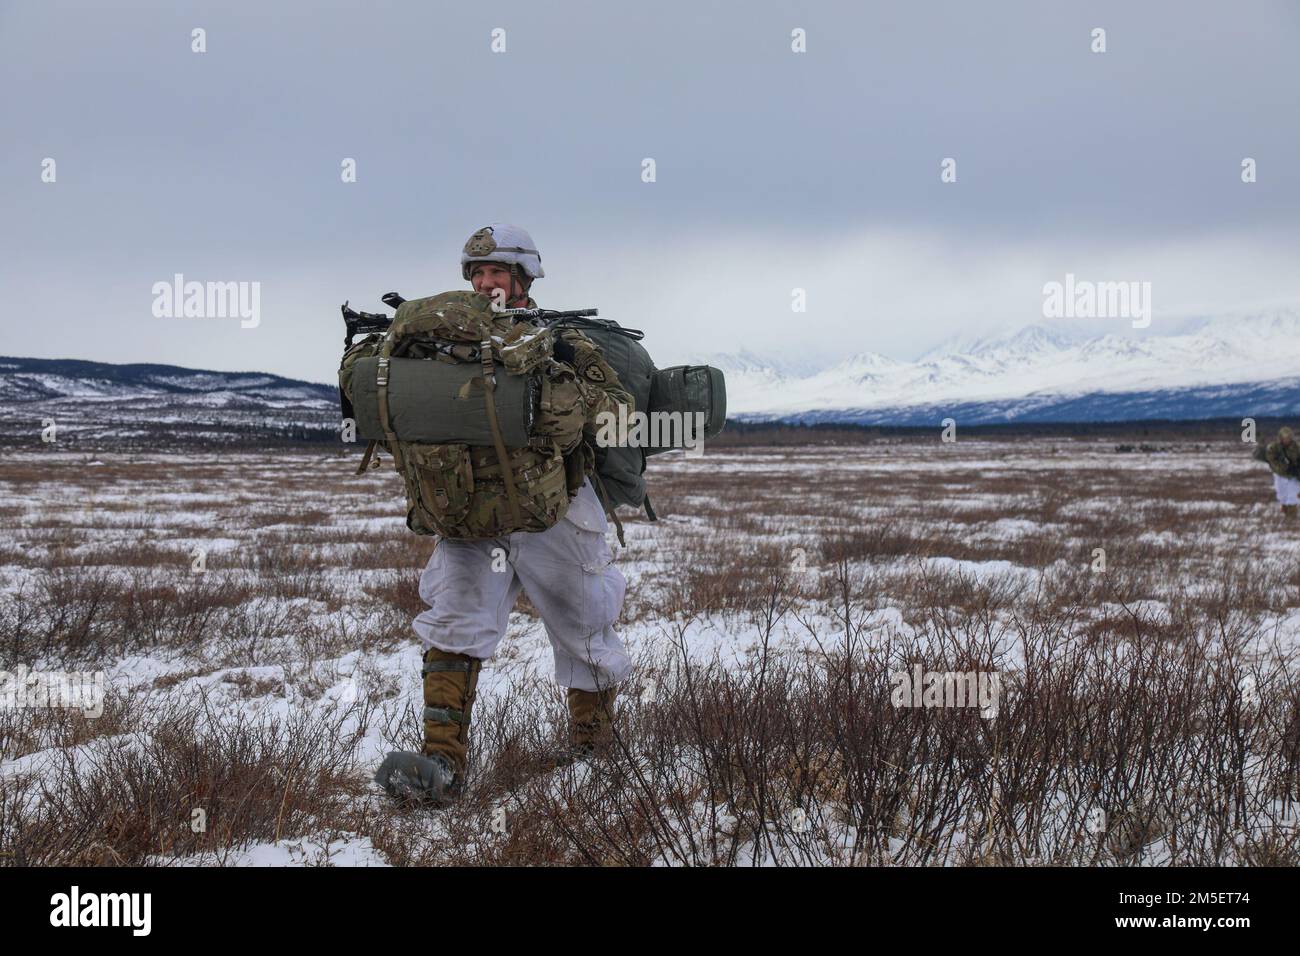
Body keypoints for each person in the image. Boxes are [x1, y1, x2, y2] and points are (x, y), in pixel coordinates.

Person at [376, 224, 636, 803]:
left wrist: (566, 402)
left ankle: (593, 751)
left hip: (558, 513)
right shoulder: (439, 347)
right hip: (469, 518)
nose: (486, 281)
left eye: (498, 271)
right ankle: (441, 768)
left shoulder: (562, 340)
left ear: (524, 278)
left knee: (585, 625)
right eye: (478, 272)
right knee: (454, 624)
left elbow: (617, 409)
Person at [1264, 425, 1300, 519]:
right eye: (1284, 437)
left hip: (1294, 477)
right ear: (1280, 438)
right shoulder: (1273, 448)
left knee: (1293, 497)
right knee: (1282, 496)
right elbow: (1272, 461)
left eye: (1288, 437)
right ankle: (1286, 514)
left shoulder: (1297, 447)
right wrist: (1286, 468)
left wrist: (1296, 469)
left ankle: (1291, 517)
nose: (1286, 439)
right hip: (1280, 475)